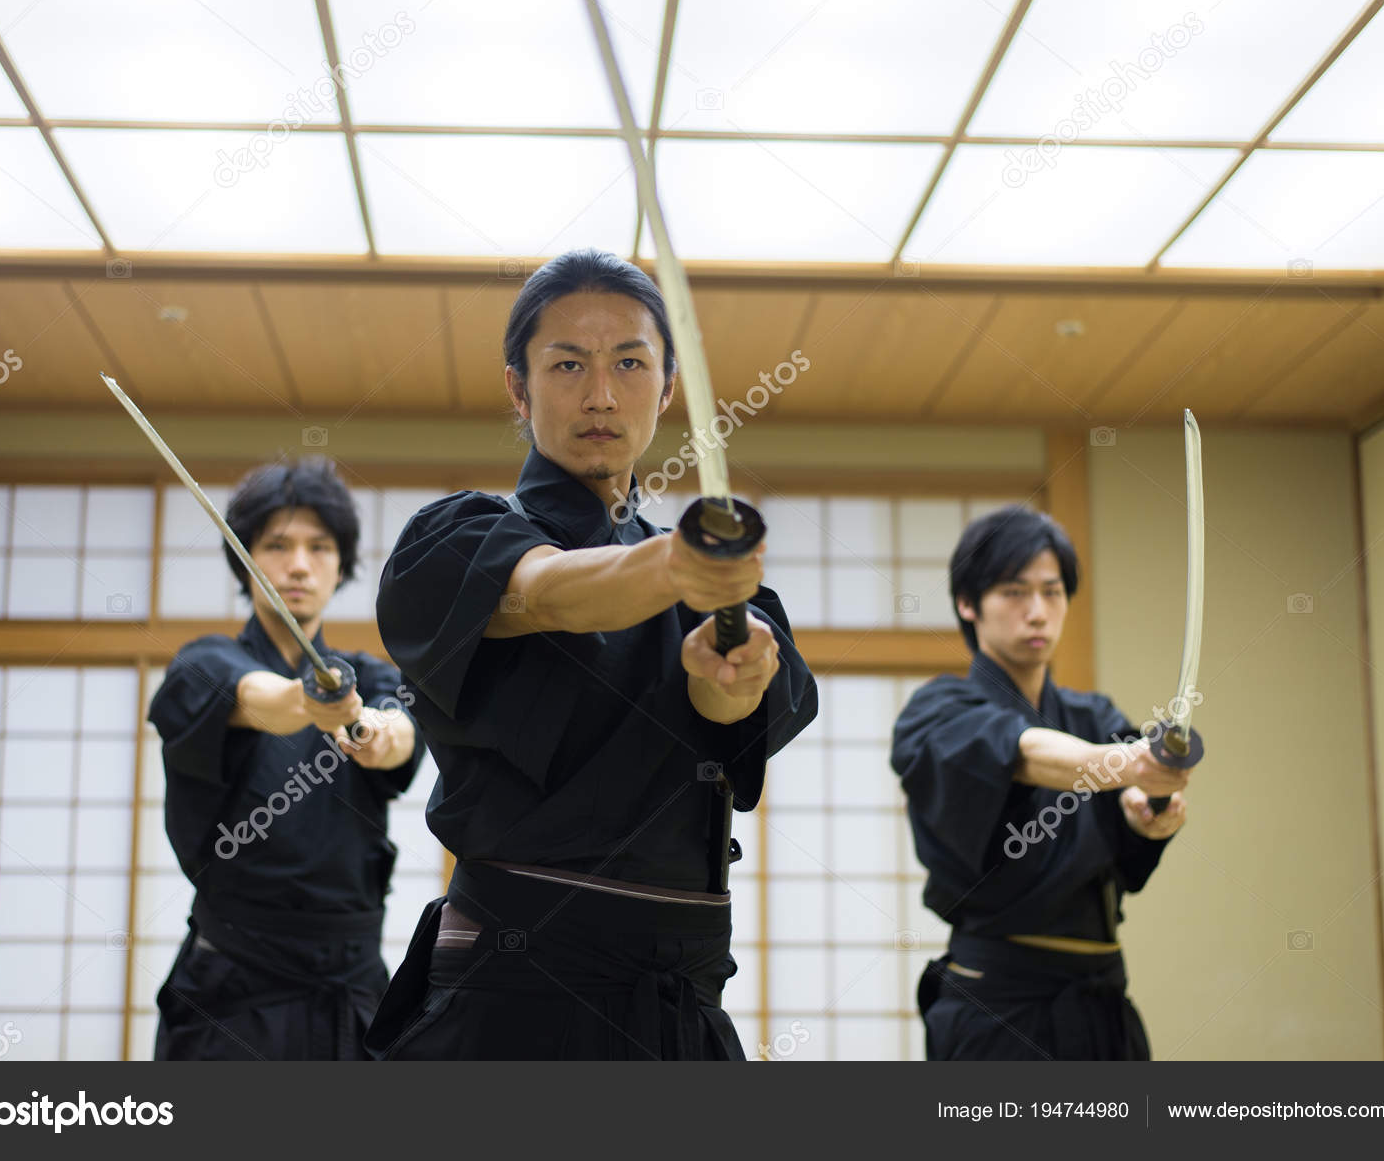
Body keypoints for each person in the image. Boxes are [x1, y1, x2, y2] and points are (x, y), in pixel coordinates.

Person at [366, 248, 818, 1060]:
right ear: (519, 386)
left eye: (630, 363)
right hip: (514, 993)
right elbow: (544, 592)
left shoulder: (723, 594)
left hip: (683, 997)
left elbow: (728, 720)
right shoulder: (455, 538)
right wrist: (674, 567)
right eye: (568, 364)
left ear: (669, 386)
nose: (601, 395)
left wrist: (731, 680)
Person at [891, 505, 1194, 1060]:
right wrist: (1124, 764)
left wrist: (1150, 815)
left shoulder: (1095, 715)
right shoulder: (937, 711)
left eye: (1052, 593)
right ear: (967, 603)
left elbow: (1133, 820)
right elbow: (1022, 751)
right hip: (998, 1007)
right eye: (1013, 592)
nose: (1037, 613)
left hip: (1101, 998)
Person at [147, 456, 423, 1060]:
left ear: (341, 565)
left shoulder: (374, 676)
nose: (298, 565)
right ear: (244, 561)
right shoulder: (204, 665)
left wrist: (373, 730)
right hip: (233, 988)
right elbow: (260, 699)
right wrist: (311, 702)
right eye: (276, 545)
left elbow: (400, 735)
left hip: (354, 986)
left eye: (319, 547)